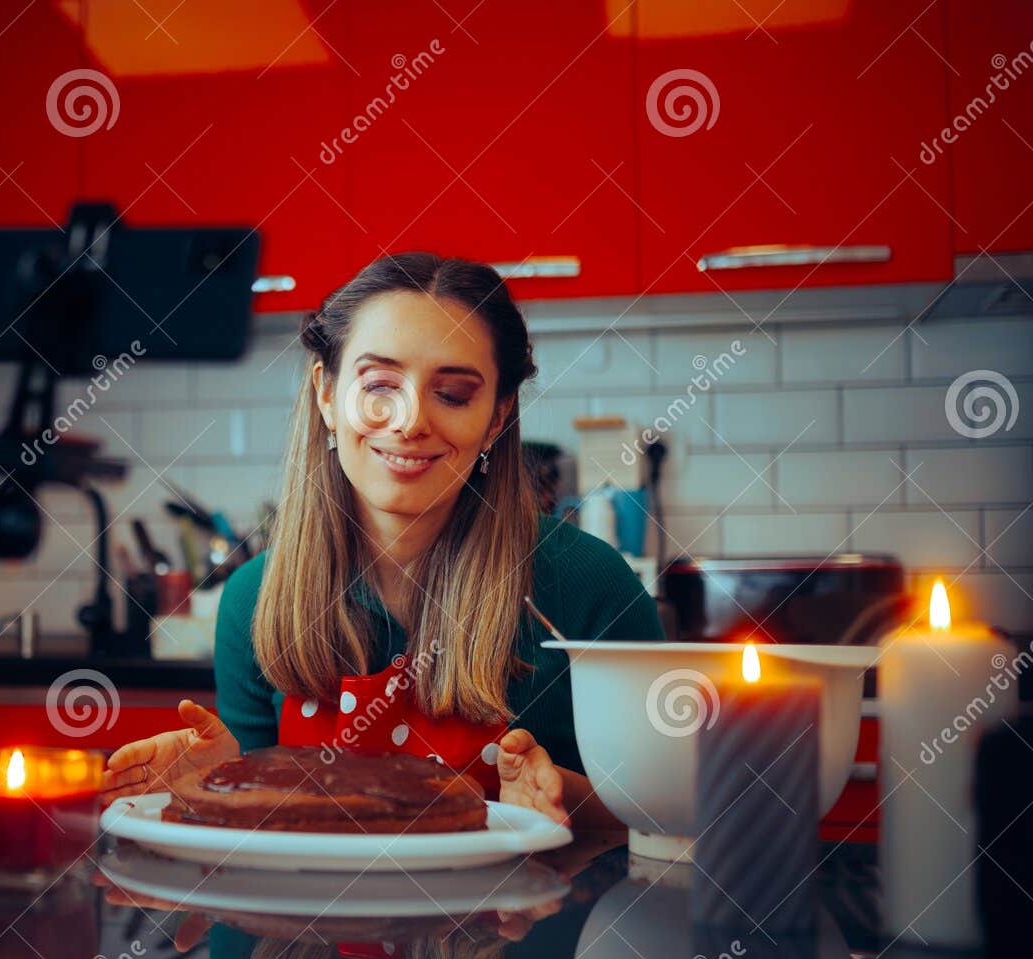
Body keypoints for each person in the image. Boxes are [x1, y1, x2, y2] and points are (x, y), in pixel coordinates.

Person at [102, 253, 662, 825]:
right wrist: (216, 782)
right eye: (379, 385)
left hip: (533, 914)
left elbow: (665, 816)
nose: (409, 420)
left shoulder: (589, 585)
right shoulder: (253, 598)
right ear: (326, 394)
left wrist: (562, 798)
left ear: (497, 416)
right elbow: (264, 833)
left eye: (452, 394)